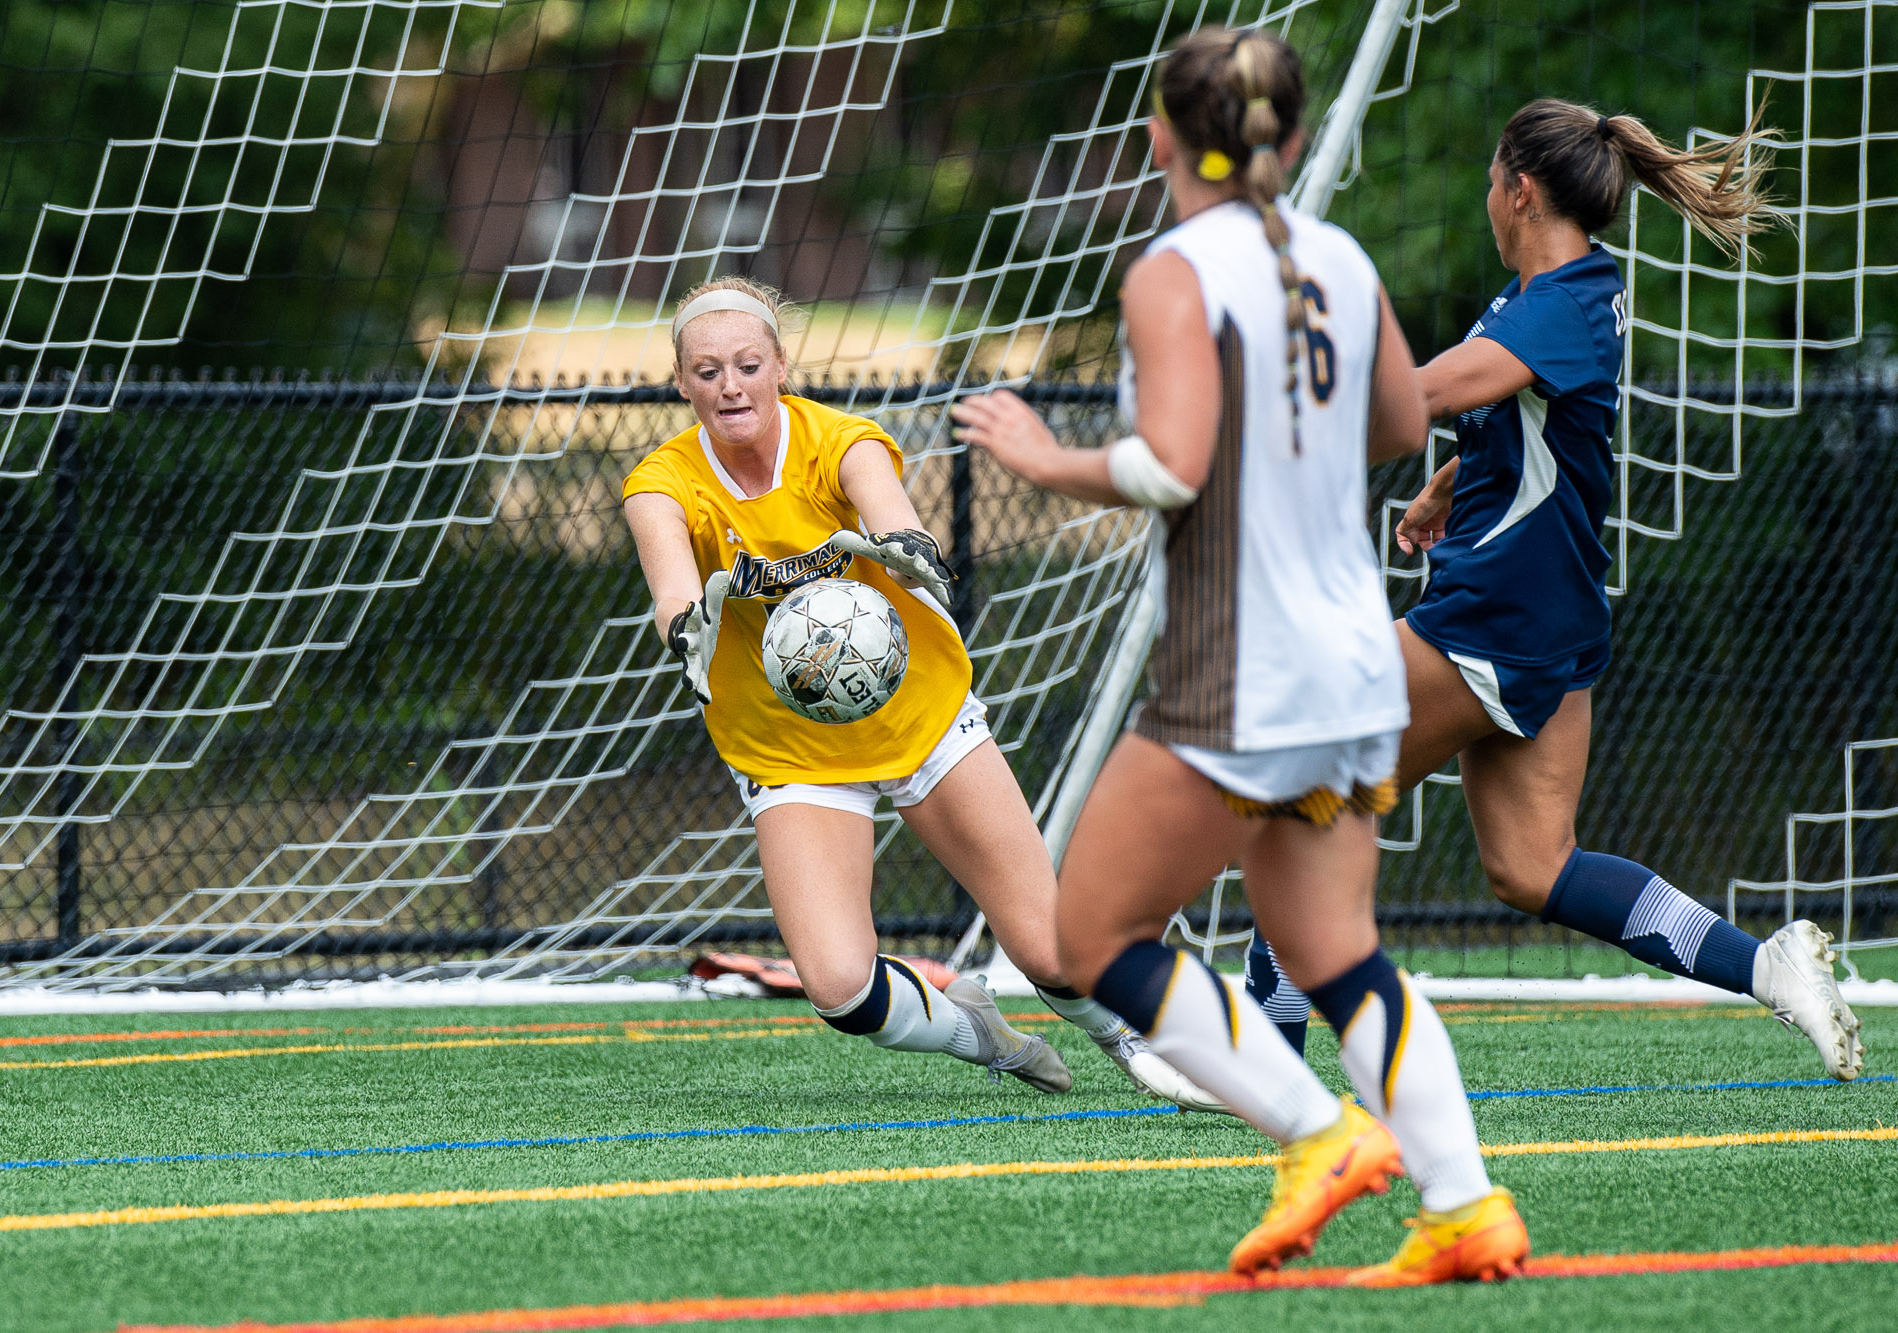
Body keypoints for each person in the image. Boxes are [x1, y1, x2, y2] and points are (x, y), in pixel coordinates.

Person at [954, 28, 1527, 1287]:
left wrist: (1037, 456)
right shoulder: (1337, 252)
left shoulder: (1173, 269)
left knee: (1086, 940)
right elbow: (1391, 420)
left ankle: (1320, 1134)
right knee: (1336, 954)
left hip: (1240, 669)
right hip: (1353, 658)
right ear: (1289, 136)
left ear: (1162, 136)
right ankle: (1463, 1204)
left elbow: (1171, 463)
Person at [1242, 98, 1865, 1083]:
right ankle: (1766, 964)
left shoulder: (1554, 302)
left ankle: (1256, 1060)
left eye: (1491, 184)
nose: (1487, 203)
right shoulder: (1566, 294)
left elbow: (1432, 391)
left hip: (1494, 618)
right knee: (1531, 866)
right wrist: (1453, 480)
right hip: (1551, 620)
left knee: (1297, 791)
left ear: (1517, 188)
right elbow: (1533, 417)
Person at [621, 275, 1211, 1105]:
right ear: (681, 382)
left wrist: (906, 546)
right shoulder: (662, 480)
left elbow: (892, 508)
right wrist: (691, 622)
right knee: (838, 988)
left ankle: (1134, 1039)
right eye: (708, 370)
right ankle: (984, 1035)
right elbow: (670, 587)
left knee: (1048, 953)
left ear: (780, 365)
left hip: (921, 718)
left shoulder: (839, 440)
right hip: (792, 750)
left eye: (747, 364)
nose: (730, 385)